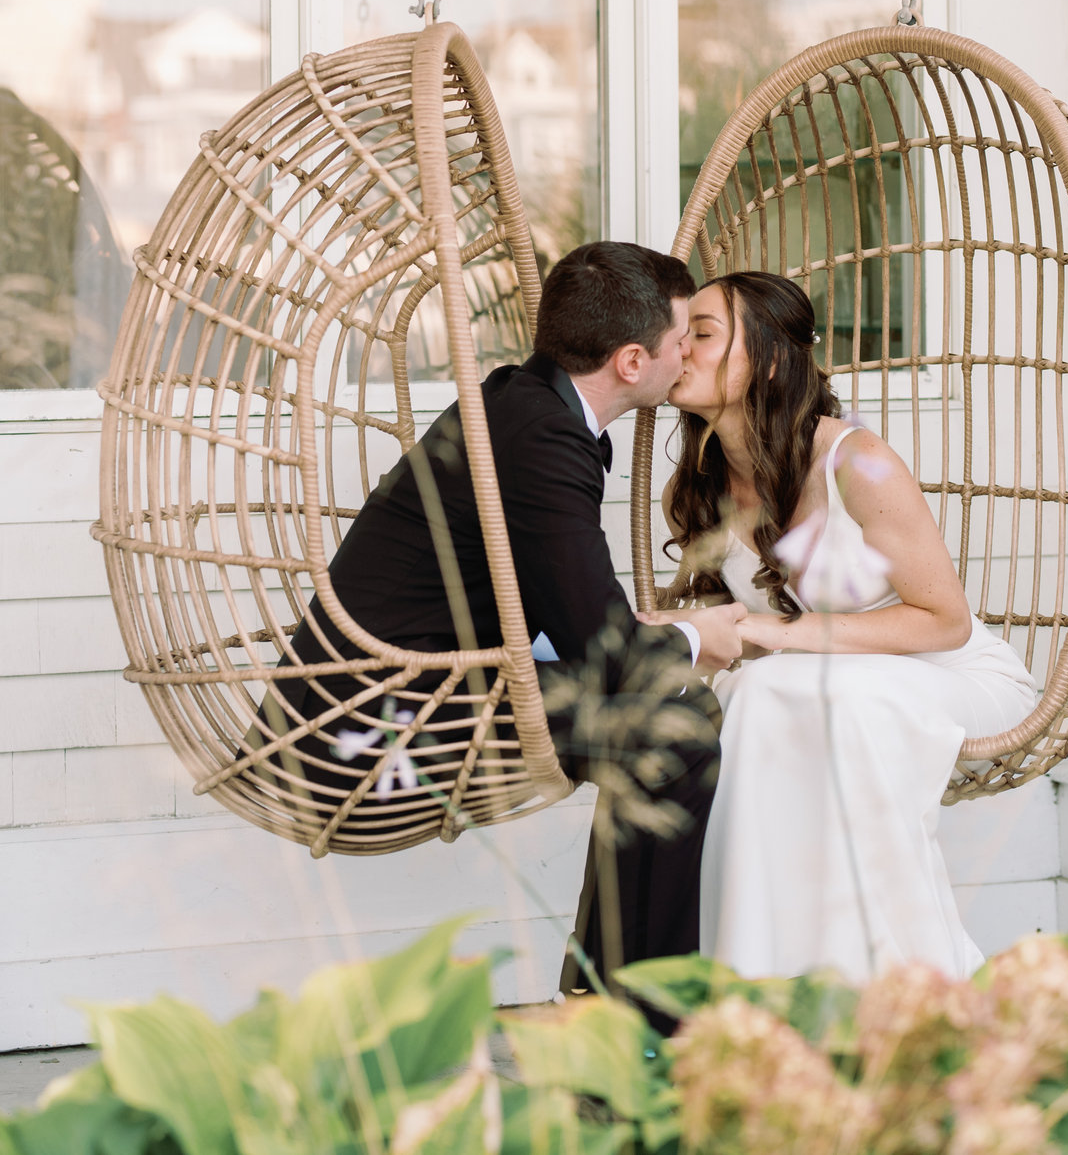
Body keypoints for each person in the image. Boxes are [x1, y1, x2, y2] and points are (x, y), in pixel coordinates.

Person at [278, 241, 747, 980]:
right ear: (631, 362)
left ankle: (607, 998)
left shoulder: (518, 399)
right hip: (377, 719)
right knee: (676, 731)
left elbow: (578, 619)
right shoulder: (544, 439)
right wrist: (696, 636)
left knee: (675, 716)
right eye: (682, 338)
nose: (688, 354)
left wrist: (649, 639)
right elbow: (603, 652)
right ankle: (642, 1018)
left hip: (415, 683)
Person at [648, 270, 1037, 983]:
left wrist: (779, 638)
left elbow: (942, 620)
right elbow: (729, 628)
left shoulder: (856, 460)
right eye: (677, 336)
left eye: (701, 334)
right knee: (760, 700)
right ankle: (777, 987)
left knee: (786, 692)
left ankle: (908, 984)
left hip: (949, 676)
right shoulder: (697, 486)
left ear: (765, 357)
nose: (679, 350)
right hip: (813, 690)